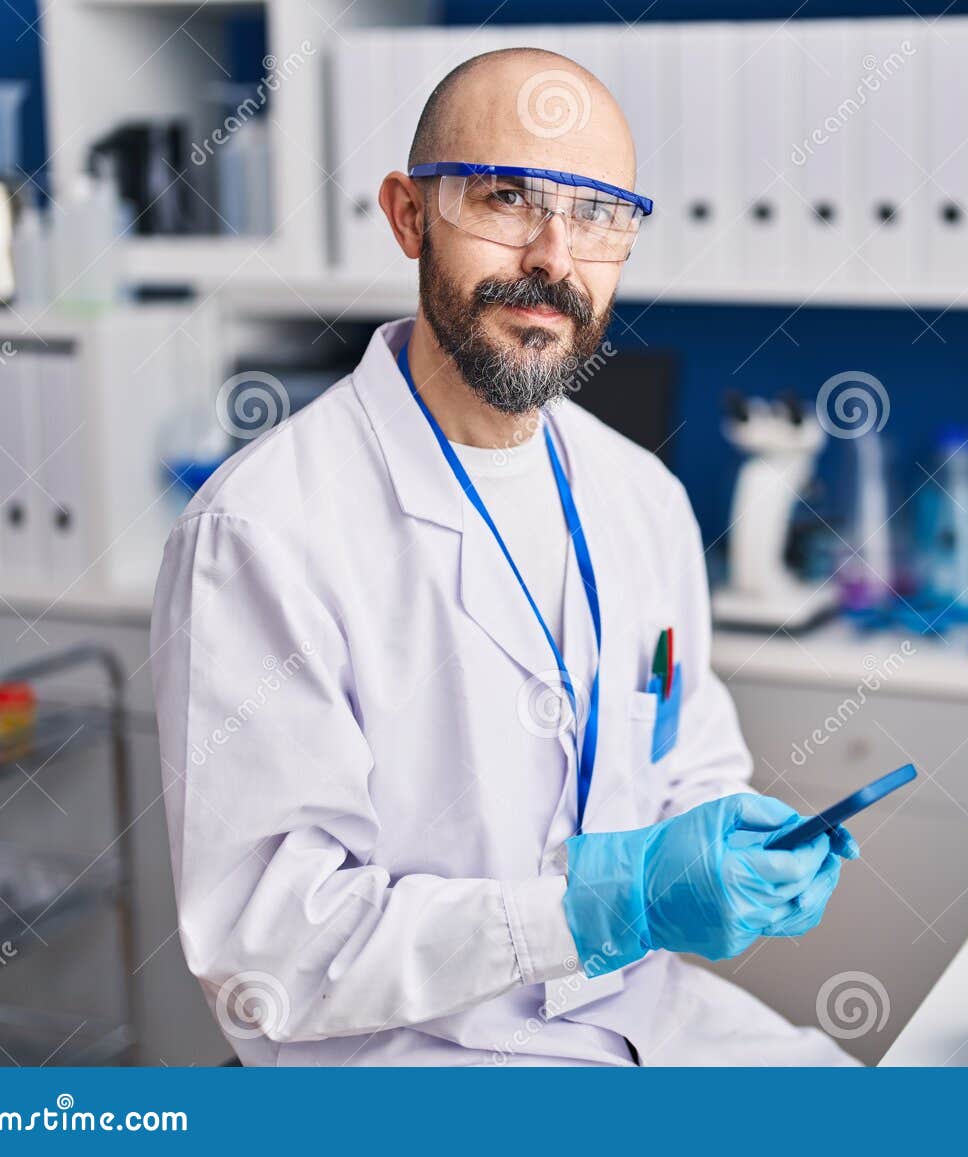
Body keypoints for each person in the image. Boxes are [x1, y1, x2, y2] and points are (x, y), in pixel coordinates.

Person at [149, 46, 857, 1066]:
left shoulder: (642, 497)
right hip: (412, 1060)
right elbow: (273, 949)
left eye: (599, 215)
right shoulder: (261, 533)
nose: (553, 258)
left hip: (646, 1019)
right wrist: (588, 907)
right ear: (407, 215)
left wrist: (732, 851)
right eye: (507, 198)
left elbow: (686, 760)